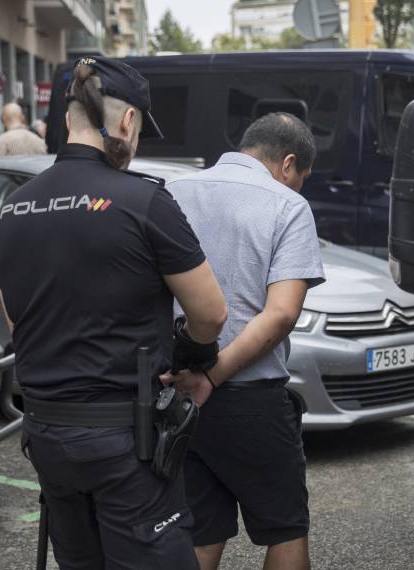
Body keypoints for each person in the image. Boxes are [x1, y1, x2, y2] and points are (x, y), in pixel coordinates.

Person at [0, 57, 227, 570]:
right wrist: (192, 357)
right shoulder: (143, 202)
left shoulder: (11, 210)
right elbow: (210, 312)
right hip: (124, 440)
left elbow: (14, 319)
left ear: (69, 118)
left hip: (48, 435)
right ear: (126, 122)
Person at [163, 113, 325, 570]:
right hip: (248, 398)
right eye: (301, 180)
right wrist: (212, 375)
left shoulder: (172, 194)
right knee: (286, 528)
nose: (298, 189)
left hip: (175, 393)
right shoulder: (287, 206)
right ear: (288, 164)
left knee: (199, 532)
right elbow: (282, 313)